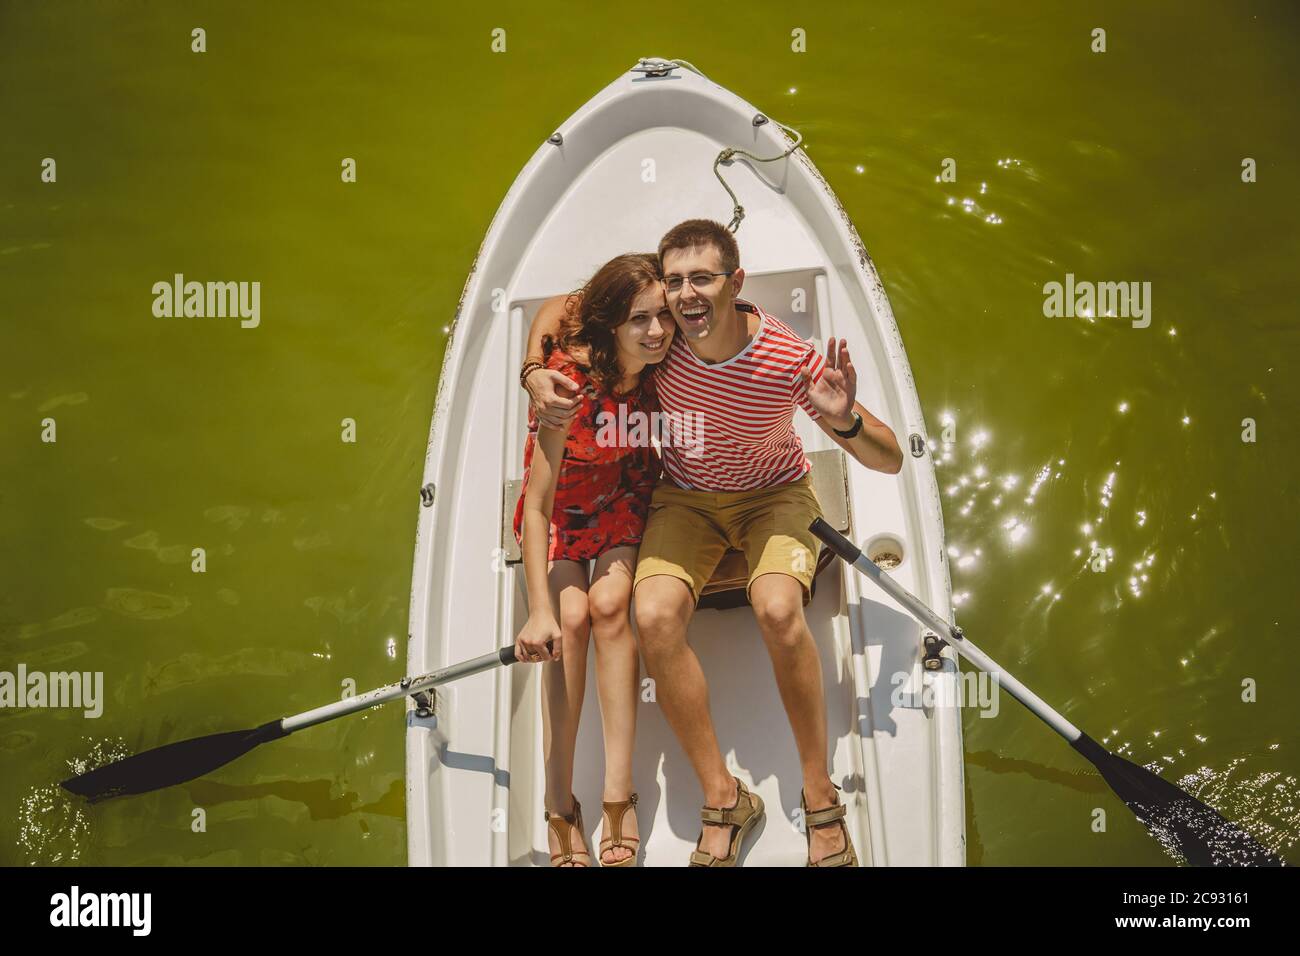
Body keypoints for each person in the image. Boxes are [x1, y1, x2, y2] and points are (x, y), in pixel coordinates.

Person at [524, 220, 903, 866]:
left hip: (774, 495)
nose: (685, 297)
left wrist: (840, 420)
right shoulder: (659, 339)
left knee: (780, 609)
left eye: (702, 279)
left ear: (735, 282)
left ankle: (819, 794)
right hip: (686, 497)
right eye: (674, 282)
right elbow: (562, 310)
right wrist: (534, 370)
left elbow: (889, 458)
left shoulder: (786, 358)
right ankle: (724, 797)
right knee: (652, 615)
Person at [513, 253, 676, 867]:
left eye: (663, 316)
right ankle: (560, 801)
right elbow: (536, 507)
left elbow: (563, 304)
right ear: (610, 324)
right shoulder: (567, 386)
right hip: (562, 506)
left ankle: (617, 792)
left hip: (626, 485)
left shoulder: (665, 357)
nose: (658, 331)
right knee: (569, 621)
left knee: (609, 606)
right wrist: (537, 611)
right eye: (641, 320)